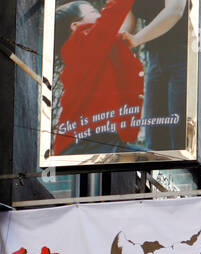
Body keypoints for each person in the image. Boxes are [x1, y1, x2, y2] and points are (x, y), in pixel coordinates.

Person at [52, 0, 145, 156]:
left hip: (100, 141)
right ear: (75, 26)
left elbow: (123, 24)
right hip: (83, 143)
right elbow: (114, 13)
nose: (101, 15)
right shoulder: (83, 43)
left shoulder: (95, 52)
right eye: (95, 13)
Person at [127, 0, 189, 152]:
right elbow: (126, 27)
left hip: (186, 54)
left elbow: (174, 12)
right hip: (154, 58)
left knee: (181, 135)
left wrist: (136, 39)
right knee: (155, 136)